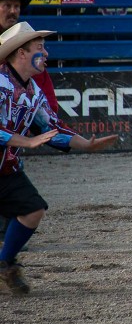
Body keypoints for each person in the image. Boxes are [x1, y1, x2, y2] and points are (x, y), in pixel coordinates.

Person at [0, 22, 118, 295]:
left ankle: (5, 263)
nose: (47, 53)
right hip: (7, 163)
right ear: (20, 53)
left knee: (33, 210)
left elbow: (52, 128)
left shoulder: (32, 91)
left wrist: (85, 145)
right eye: (40, 48)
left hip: (6, 168)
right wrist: (27, 141)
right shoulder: (1, 83)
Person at [0, 0, 58, 113]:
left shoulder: (29, 50)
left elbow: (51, 110)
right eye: (7, 6)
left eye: (16, 6)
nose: (13, 11)